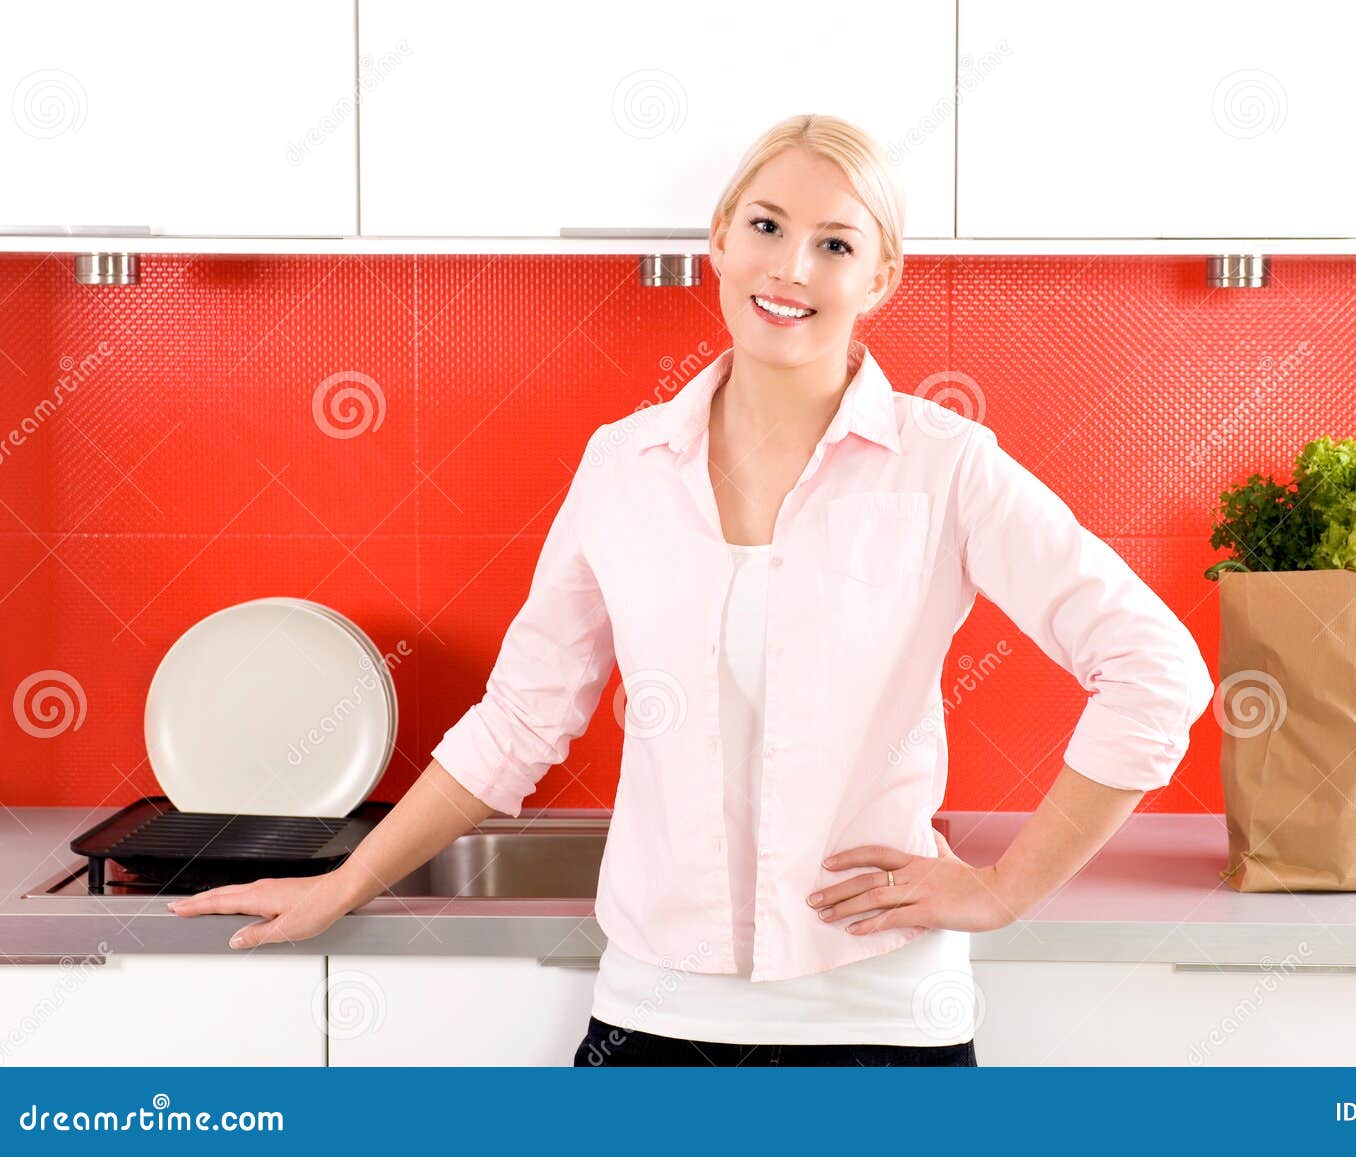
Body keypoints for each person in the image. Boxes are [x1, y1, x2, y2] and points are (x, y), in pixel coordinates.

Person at [169, 113, 1215, 1068]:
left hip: (881, 1021)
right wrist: (346, 878)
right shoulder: (623, 467)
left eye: (836, 243)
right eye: (765, 225)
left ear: (882, 275)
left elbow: (1155, 671)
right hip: (654, 1020)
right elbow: (523, 717)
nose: (789, 267)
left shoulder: (945, 467)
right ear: (717, 238)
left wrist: (1003, 887)